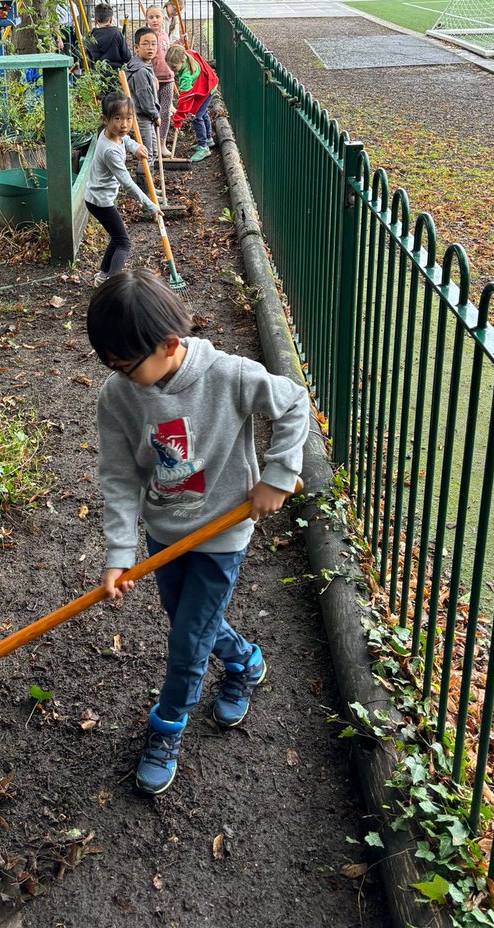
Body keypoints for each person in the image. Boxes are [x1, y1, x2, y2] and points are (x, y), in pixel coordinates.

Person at [86, 269, 310, 795]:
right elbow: (119, 478)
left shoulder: (229, 376)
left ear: (168, 344)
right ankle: (245, 660)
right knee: (188, 619)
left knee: (188, 638)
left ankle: (167, 726)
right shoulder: (118, 398)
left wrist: (277, 475)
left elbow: (294, 402)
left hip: (221, 536)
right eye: (110, 366)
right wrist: (119, 553)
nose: (119, 376)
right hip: (165, 534)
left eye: (126, 365)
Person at [85, 93, 160, 287]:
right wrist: (150, 205)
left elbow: (125, 140)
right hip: (100, 202)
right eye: (118, 118)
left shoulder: (112, 134)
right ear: (105, 119)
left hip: (97, 197)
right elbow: (127, 183)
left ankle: (103, 276)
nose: (124, 125)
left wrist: (135, 147)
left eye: (129, 118)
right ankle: (111, 285)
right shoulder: (109, 150)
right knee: (124, 243)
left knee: (117, 237)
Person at [166, 44, 219, 163]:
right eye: (169, 66)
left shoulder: (186, 76)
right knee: (203, 112)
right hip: (210, 83)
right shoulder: (188, 54)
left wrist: (178, 119)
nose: (172, 70)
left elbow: (185, 102)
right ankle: (208, 138)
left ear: (182, 61)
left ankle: (203, 147)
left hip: (207, 88)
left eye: (174, 67)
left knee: (196, 116)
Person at [124, 27, 161, 166]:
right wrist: (155, 115)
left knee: (153, 152)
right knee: (147, 154)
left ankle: (148, 179)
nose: (150, 47)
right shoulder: (140, 71)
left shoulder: (144, 65)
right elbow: (145, 98)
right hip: (142, 116)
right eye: (145, 44)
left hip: (145, 115)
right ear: (136, 47)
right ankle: (144, 180)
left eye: (153, 44)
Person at [144, 6, 175, 159]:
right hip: (154, 80)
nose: (155, 20)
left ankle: (162, 144)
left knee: (165, 112)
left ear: (163, 18)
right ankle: (153, 144)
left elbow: (167, 53)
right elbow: (146, 60)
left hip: (168, 78)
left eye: (157, 17)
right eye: (151, 17)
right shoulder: (147, 38)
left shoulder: (164, 35)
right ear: (146, 20)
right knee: (153, 112)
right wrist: (152, 77)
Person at [86, 3, 130, 92]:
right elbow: (127, 57)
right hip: (116, 77)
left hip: (98, 78)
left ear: (95, 21)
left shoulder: (90, 36)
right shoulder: (116, 33)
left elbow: (89, 59)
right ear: (110, 20)